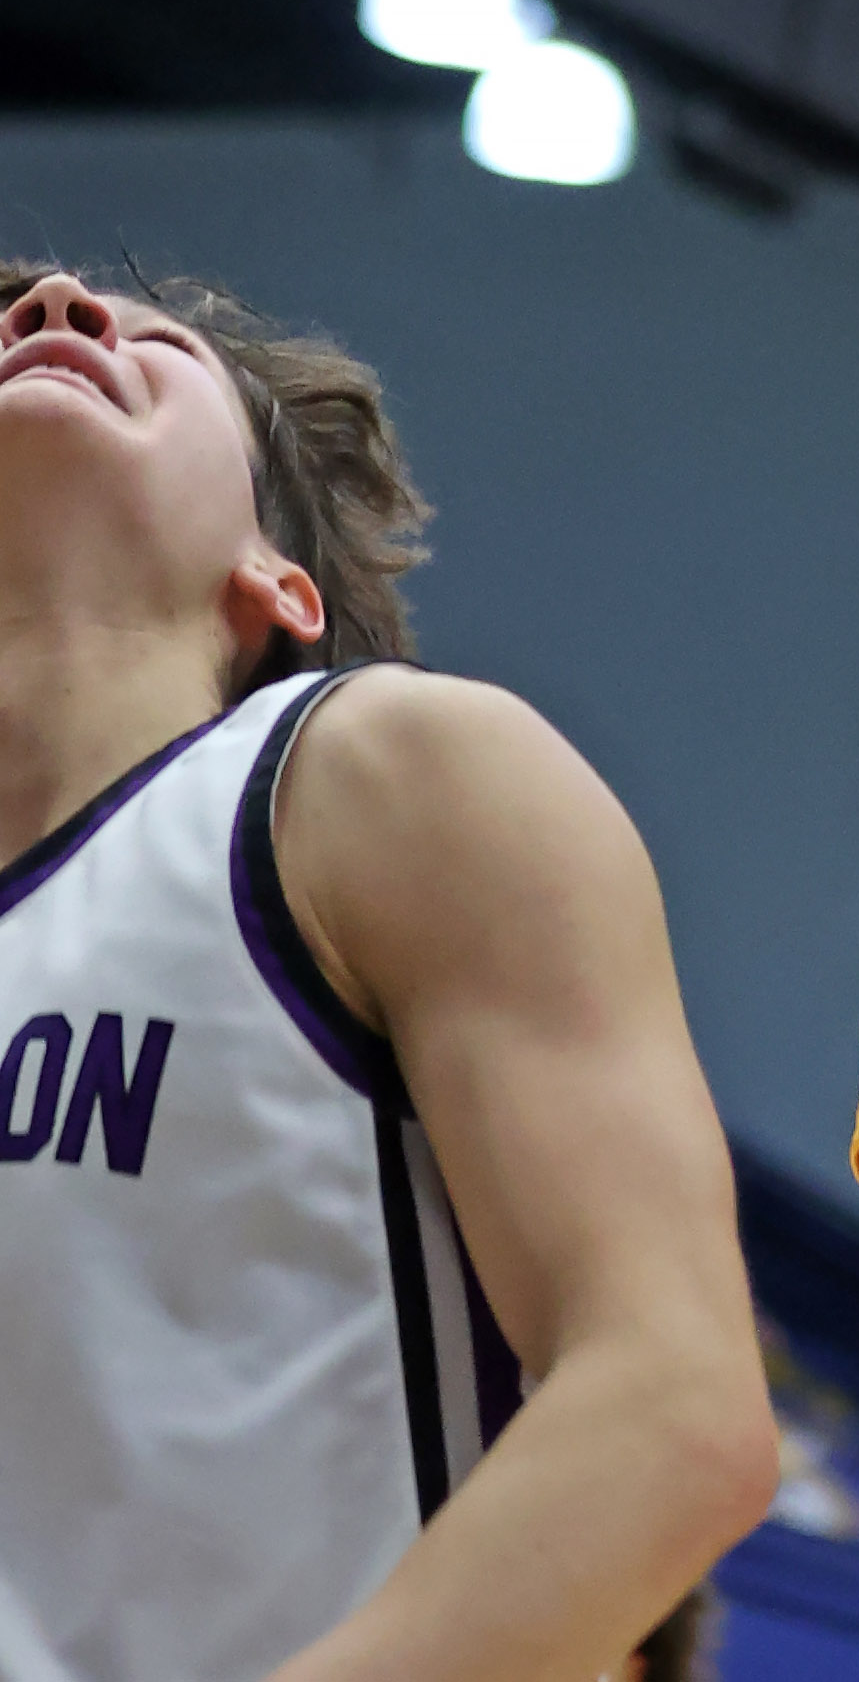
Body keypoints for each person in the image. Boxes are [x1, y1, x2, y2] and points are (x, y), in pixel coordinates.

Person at [0, 256, 779, 1682]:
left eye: (159, 352)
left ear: (277, 579)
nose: (54, 307)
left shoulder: (376, 773)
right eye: (17, 323)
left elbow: (672, 1405)